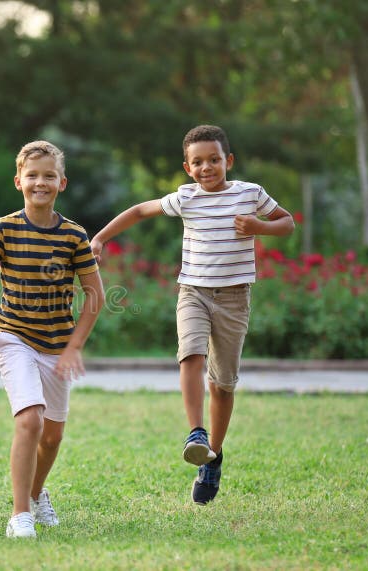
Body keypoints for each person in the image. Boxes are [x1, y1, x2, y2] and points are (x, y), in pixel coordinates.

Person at [90, 124, 295, 505]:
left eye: (214, 160)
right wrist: (100, 237)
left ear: (228, 161)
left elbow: (288, 222)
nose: (207, 168)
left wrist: (258, 227)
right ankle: (196, 434)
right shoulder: (186, 198)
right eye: (197, 162)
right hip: (194, 292)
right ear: (187, 168)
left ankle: (213, 456)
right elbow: (138, 210)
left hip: (234, 298)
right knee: (191, 355)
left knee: (223, 383)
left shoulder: (250, 194)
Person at [0, 140, 104, 538]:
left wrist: (74, 346)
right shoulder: (6, 227)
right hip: (14, 336)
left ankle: (35, 493)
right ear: (19, 181)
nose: (40, 182)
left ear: (62, 182)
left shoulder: (73, 236)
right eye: (32, 175)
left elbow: (95, 295)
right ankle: (20, 515)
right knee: (30, 420)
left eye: (49, 175)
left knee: (53, 435)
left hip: (57, 344)